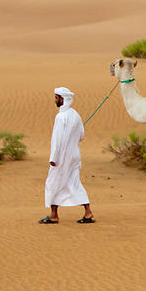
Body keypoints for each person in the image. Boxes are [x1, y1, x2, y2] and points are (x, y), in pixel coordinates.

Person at [40, 86, 95, 224]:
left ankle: (53, 215)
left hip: (62, 157)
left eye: (56, 98)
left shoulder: (61, 117)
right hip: (74, 156)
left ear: (62, 99)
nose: (55, 100)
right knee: (74, 183)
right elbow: (81, 136)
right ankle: (88, 213)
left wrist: (53, 158)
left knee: (53, 183)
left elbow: (57, 140)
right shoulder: (75, 115)